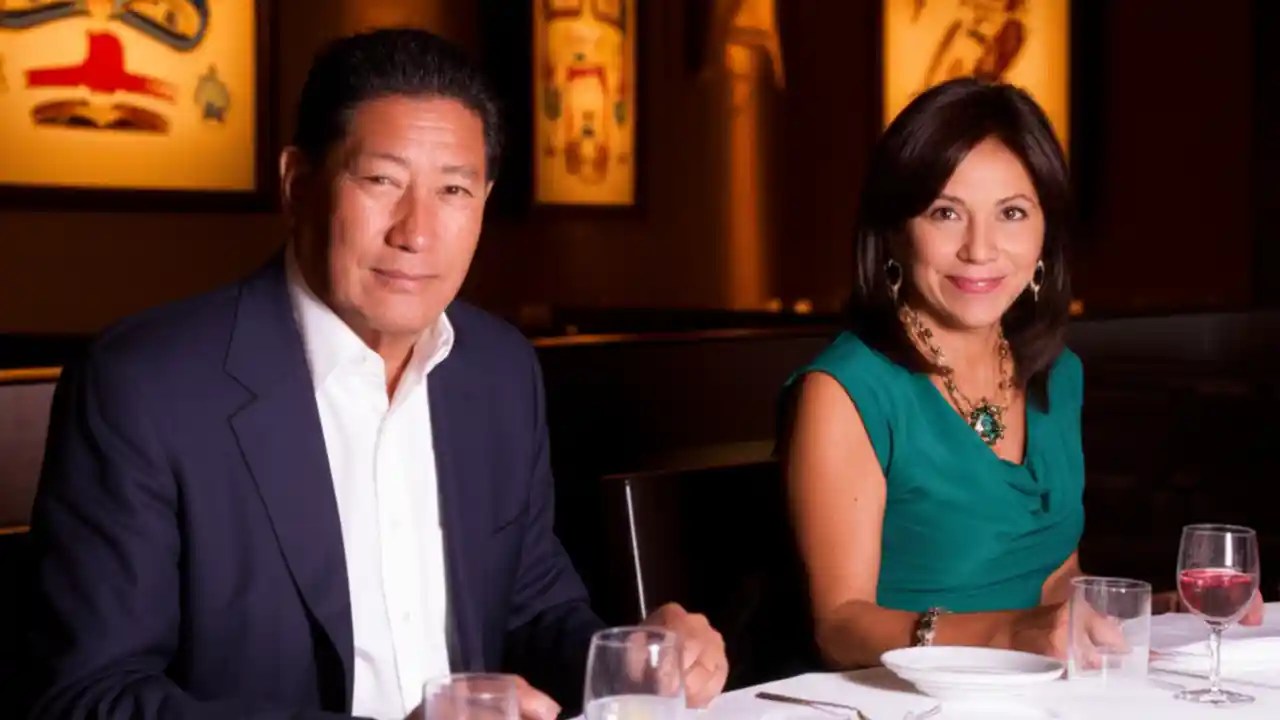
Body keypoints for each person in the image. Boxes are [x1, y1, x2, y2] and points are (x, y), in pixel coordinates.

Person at [23, 29, 727, 720]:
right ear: (298, 185)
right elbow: (91, 695)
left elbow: (532, 610)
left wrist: (635, 658)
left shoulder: (497, 371)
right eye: (382, 180)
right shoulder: (146, 387)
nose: (415, 233)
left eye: (453, 190)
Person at [780, 77, 1259, 670]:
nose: (980, 250)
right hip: (903, 703)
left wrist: (1152, 617)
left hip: (1034, 694)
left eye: (1011, 213)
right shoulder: (845, 391)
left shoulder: (1057, 376)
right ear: (896, 235)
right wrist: (1011, 636)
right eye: (945, 212)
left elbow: (1057, 580)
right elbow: (841, 625)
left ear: (1044, 235)